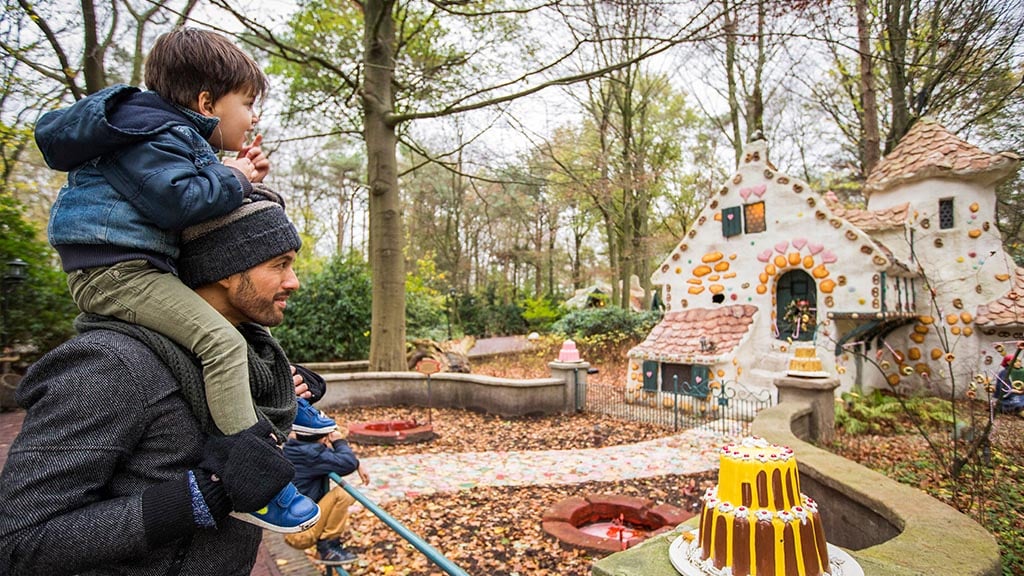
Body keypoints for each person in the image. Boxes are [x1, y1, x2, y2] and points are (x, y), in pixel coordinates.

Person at [33, 26, 327, 532]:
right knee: (220, 342)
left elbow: (183, 199)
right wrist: (187, 502)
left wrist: (237, 176)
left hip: (129, 263)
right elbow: (22, 535)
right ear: (206, 101)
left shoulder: (167, 139)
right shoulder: (107, 371)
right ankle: (257, 487)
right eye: (248, 102)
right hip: (116, 268)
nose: (254, 116)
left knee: (226, 335)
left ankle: (280, 406)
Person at [0, 190, 318, 575]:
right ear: (226, 268)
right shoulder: (112, 365)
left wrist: (284, 387)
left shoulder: (249, 358)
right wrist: (203, 494)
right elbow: (17, 540)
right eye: (280, 264)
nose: (294, 281)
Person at [283, 428, 370, 566]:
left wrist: (357, 463)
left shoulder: (296, 448)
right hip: (299, 533)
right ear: (324, 439)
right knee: (344, 493)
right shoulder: (311, 455)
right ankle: (327, 549)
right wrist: (339, 442)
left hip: (293, 526)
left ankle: (327, 548)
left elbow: (340, 460)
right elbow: (347, 463)